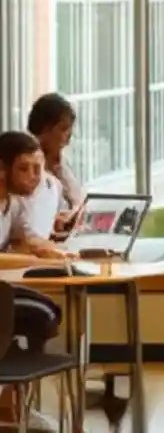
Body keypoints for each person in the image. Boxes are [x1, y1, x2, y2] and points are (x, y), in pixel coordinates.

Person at [0, 131, 73, 430]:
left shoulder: (13, 205)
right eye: (24, 168)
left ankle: (13, 403)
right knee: (32, 311)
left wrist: (57, 253)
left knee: (45, 314)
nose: (34, 176)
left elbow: (30, 238)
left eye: (37, 167)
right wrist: (34, 259)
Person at [25, 93, 84, 242]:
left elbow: (79, 201)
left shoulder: (63, 164)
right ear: (43, 130)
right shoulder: (28, 170)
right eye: (63, 129)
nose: (69, 136)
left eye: (70, 130)